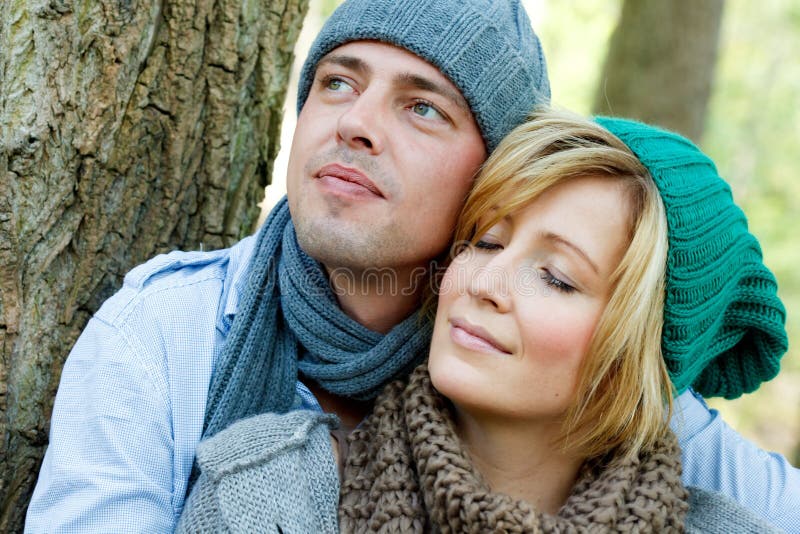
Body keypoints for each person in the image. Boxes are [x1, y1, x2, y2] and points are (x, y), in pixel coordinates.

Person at [25, 0, 800, 531]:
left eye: (422, 106)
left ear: (494, 174)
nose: (354, 123)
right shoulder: (171, 333)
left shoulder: (583, 371)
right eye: (337, 82)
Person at [177, 110, 786, 533]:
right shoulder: (269, 496)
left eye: (557, 277)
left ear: (637, 357)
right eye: (486, 241)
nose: (485, 283)